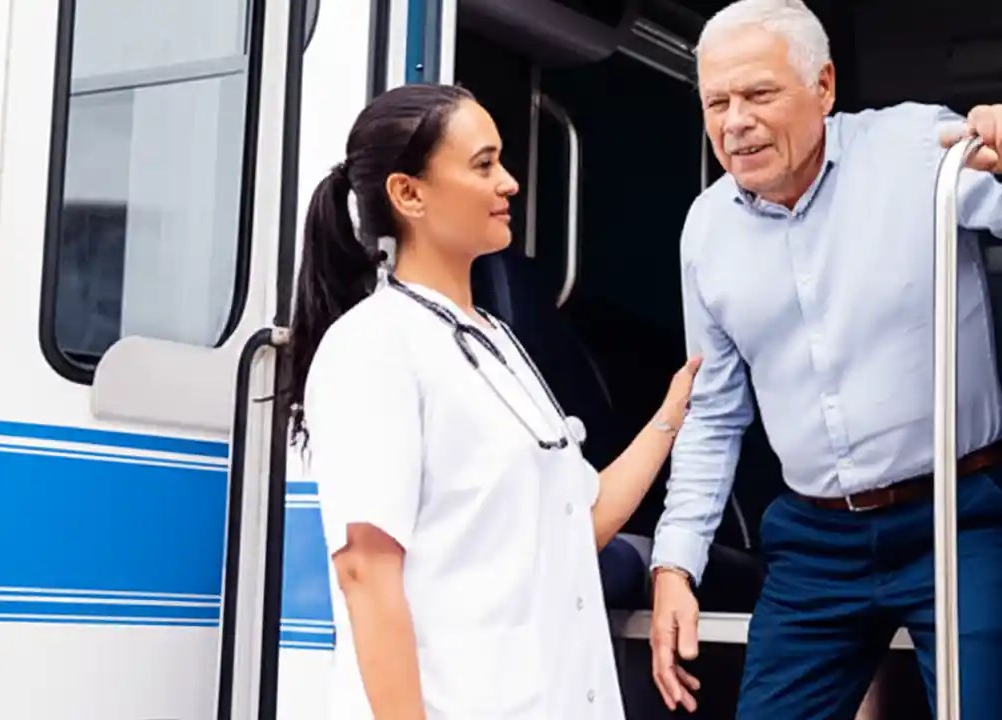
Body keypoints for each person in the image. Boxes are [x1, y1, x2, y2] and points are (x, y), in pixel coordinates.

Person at [646, 1, 1002, 718]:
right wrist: (675, 563)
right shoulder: (705, 229)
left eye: (759, 94)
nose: (735, 121)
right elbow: (713, 412)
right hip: (813, 545)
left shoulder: (921, 146)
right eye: (717, 101)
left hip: (959, 523)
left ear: (823, 86)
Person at [284, 83, 702, 720]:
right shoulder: (373, 346)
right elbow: (367, 574)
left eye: (503, 161)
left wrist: (674, 412)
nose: (509, 183)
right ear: (409, 194)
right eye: (484, 165)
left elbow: (575, 526)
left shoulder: (497, 339)